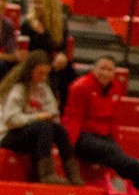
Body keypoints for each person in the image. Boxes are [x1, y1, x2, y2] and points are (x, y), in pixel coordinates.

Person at [62, 55, 139, 192]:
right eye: (102, 68)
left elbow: (113, 120)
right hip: (83, 136)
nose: (105, 73)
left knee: (117, 154)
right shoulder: (80, 87)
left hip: (104, 136)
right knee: (111, 151)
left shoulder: (116, 88)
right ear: (94, 69)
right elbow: (73, 118)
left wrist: (116, 142)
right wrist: (68, 147)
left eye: (109, 70)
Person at [0, 50, 81, 184]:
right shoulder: (18, 89)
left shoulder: (44, 89)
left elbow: (53, 114)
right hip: (7, 134)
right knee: (43, 127)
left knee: (58, 129)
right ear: (30, 71)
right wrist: (37, 117)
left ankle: (73, 175)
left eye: (46, 73)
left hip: (32, 132)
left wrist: (47, 117)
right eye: (40, 73)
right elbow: (11, 120)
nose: (43, 77)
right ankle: (46, 175)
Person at [21, 0, 73, 109]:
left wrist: (62, 55)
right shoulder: (27, 23)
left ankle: (62, 111)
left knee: (69, 72)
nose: (36, 6)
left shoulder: (61, 22)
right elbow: (25, 49)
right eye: (34, 2)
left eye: (39, 3)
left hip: (53, 63)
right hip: (33, 62)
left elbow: (63, 47)